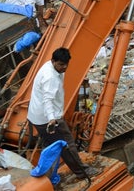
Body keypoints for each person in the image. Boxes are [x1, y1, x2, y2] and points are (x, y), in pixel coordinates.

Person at [27, 49, 95, 180]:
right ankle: (82, 172)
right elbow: (48, 100)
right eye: (61, 65)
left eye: (66, 64)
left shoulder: (50, 67)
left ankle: (47, 176)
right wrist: (52, 119)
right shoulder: (50, 77)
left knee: (52, 147)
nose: (64, 68)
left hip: (38, 116)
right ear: (53, 61)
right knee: (67, 145)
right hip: (48, 119)